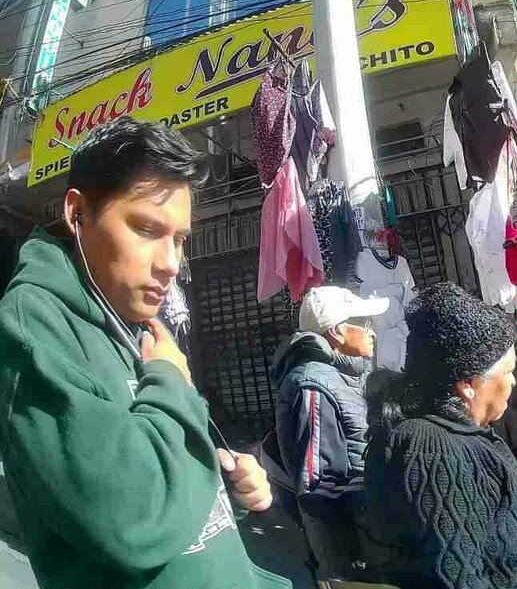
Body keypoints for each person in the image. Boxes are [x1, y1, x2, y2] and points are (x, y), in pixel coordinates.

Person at [0, 117, 289, 589]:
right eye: (146, 230)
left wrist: (222, 479)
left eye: (179, 239)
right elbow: (129, 516)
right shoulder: (35, 326)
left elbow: (152, 454)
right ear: (78, 214)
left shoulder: (134, 324)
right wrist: (172, 381)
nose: (170, 263)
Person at [364, 282, 517, 589]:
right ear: (467, 384)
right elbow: (456, 573)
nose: (513, 381)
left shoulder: (464, 437)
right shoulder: (432, 449)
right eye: (508, 370)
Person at [271, 285, 388, 584]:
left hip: (370, 541)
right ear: (336, 332)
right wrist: (345, 569)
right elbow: (319, 487)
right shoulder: (312, 383)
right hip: (355, 556)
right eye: (365, 324)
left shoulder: (338, 379)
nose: (372, 332)